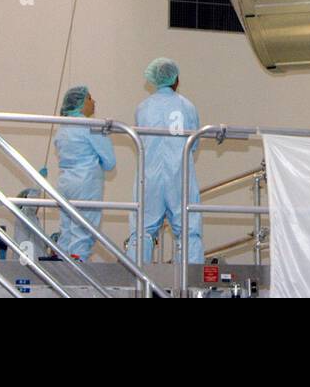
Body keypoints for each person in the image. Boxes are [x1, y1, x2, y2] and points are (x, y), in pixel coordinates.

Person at [127, 58, 202, 264]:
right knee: (188, 231)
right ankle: (190, 289)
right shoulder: (187, 106)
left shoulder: (143, 108)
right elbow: (194, 144)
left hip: (148, 178)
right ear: (176, 79)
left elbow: (140, 142)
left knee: (142, 231)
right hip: (180, 177)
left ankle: (136, 288)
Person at [53, 86, 116, 261]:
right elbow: (110, 162)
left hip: (65, 184)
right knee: (83, 231)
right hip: (86, 183)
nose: (93, 102)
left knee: (67, 230)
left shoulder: (62, 129)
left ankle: (61, 266)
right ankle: (77, 271)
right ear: (80, 103)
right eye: (89, 98)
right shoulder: (90, 126)